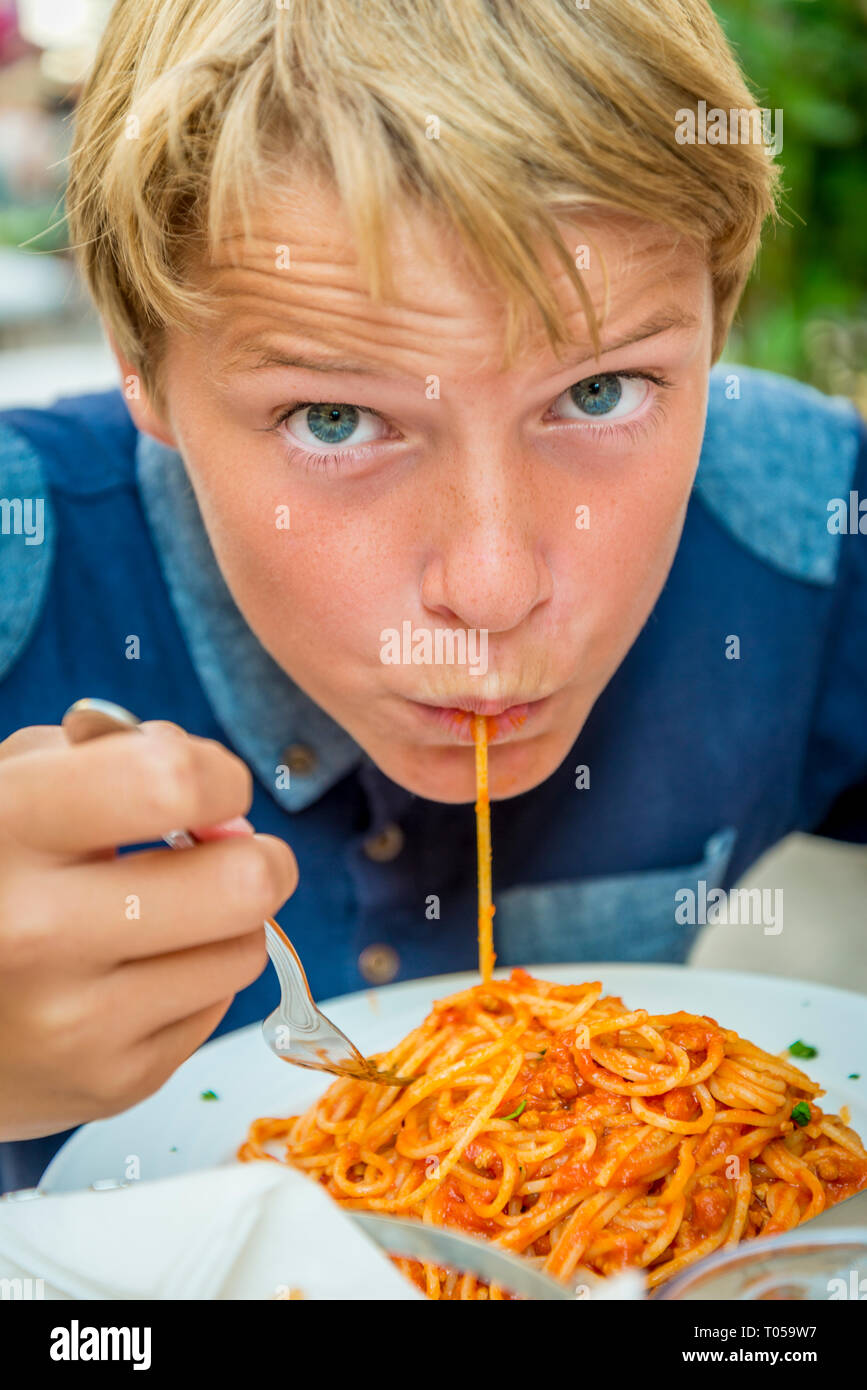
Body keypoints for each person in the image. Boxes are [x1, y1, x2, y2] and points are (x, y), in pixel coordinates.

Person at [0, 0, 864, 1194]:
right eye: (335, 420)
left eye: (603, 391)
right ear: (138, 360)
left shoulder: (809, 525)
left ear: (720, 325)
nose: (495, 585)